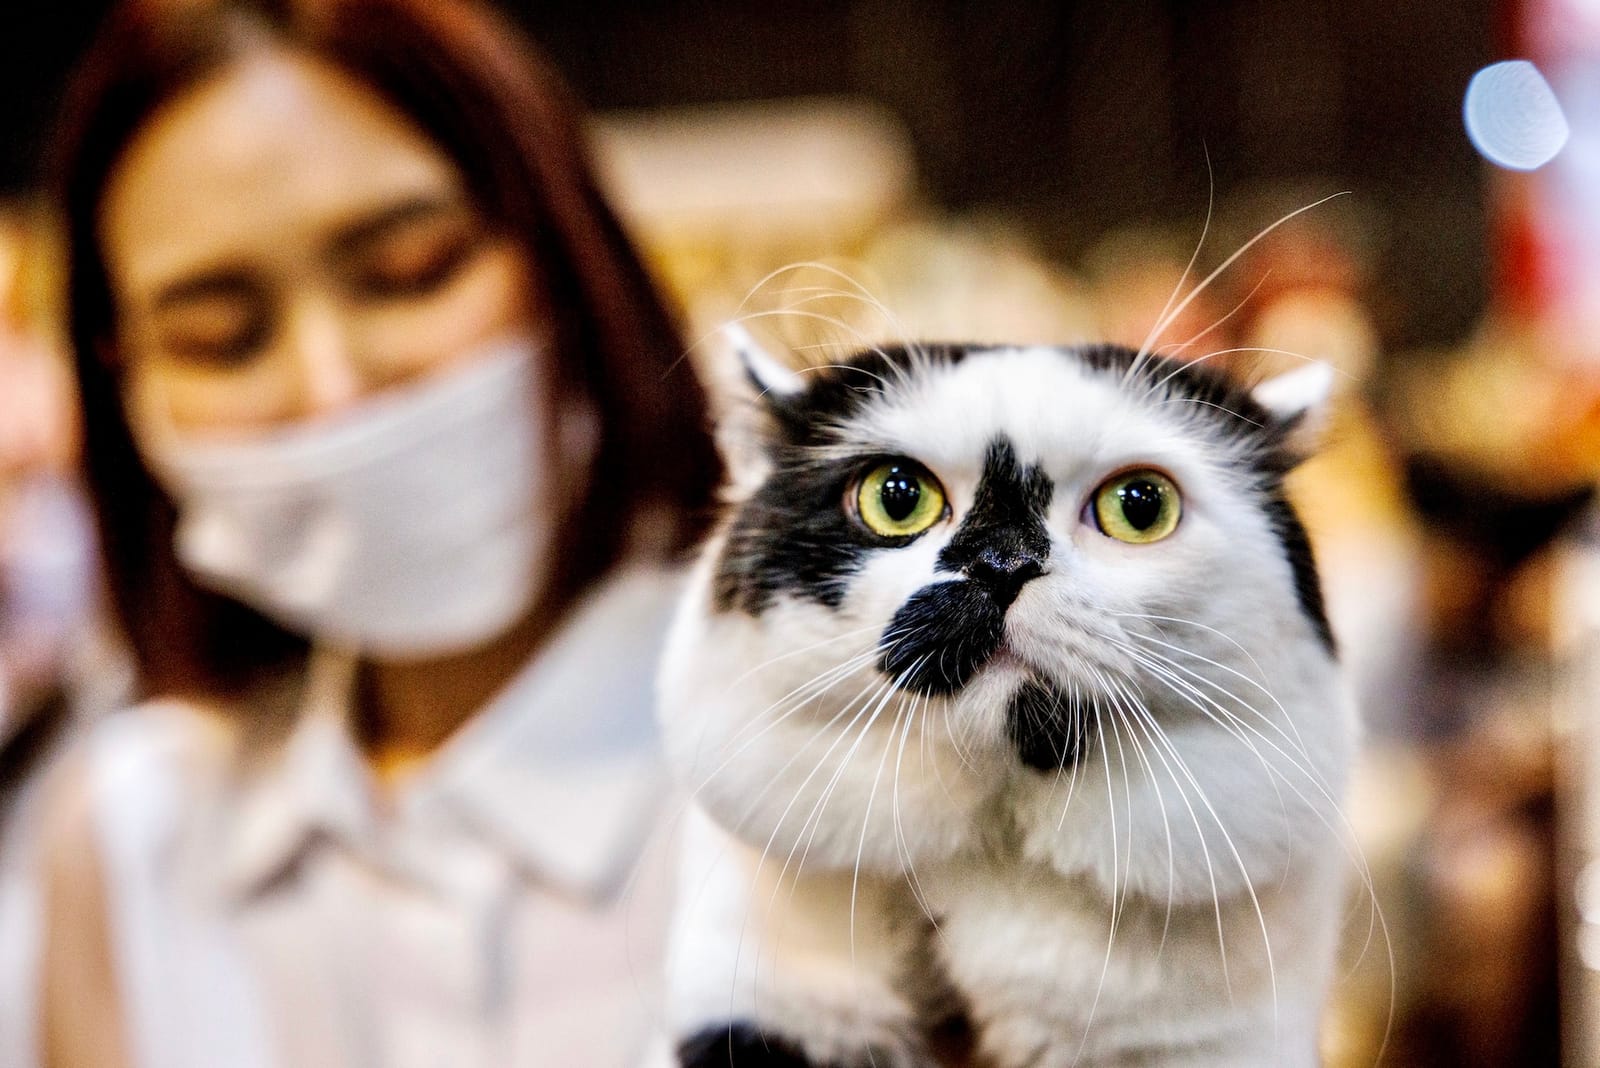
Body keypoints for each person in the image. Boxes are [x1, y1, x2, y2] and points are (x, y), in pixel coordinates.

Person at [36, 1, 720, 1065]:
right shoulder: (135, 844)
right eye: (217, 340)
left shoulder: (867, 782)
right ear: (129, 387)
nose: (331, 390)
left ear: (565, 262)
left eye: (413, 271)